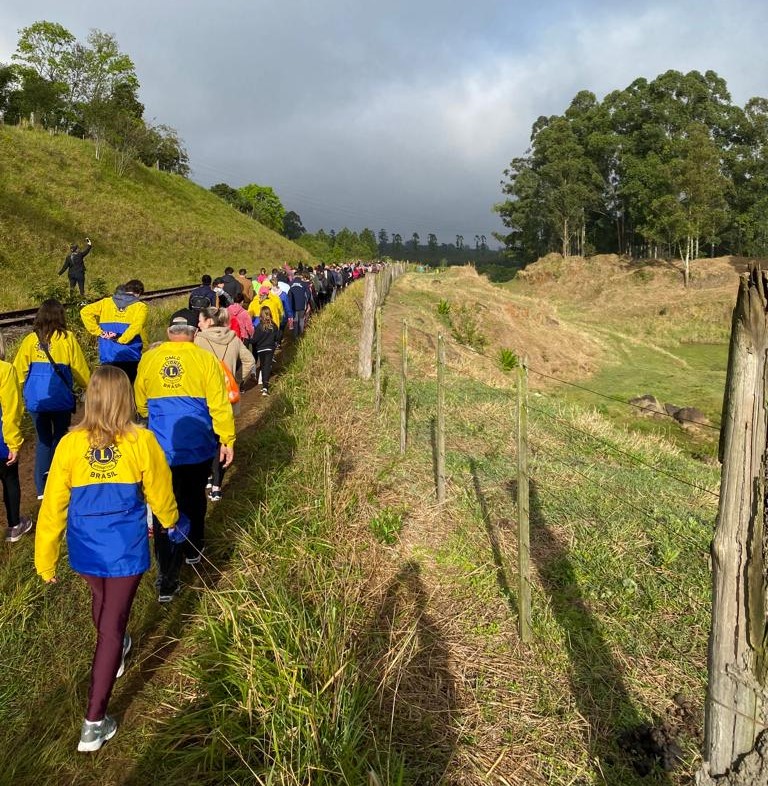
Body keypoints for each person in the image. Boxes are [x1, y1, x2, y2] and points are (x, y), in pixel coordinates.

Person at [34, 366, 182, 753]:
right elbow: (160, 489)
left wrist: (46, 556)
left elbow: (53, 505)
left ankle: (116, 648)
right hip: (124, 549)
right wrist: (170, 521)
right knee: (111, 627)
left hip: (86, 547)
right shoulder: (141, 440)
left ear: (92, 398)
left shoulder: (70, 444)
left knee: (103, 604)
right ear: (125, 399)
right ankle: (94, 723)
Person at [134, 309, 236, 600]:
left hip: (161, 450)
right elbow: (219, 405)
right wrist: (226, 439)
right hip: (197, 447)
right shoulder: (205, 360)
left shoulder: (149, 359)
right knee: (193, 498)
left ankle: (167, 577)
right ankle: (194, 548)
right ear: (195, 334)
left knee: (163, 505)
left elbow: (140, 402)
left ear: (169, 333)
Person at [13, 299, 91, 498]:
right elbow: (79, 368)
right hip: (60, 399)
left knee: (43, 440)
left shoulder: (31, 340)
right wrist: (89, 386)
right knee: (60, 438)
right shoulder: (67, 338)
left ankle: (41, 488)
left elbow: (18, 372)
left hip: (36, 402)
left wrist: (14, 396)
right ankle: (59, 481)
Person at [195, 307, 254, 501]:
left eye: (201, 320)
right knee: (224, 440)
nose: (198, 324)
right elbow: (250, 361)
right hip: (227, 397)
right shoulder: (233, 338)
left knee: (207, 438)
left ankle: (208, 476)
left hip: (205, 397)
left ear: (209, 321)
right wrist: (237, 380)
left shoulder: (199, 340)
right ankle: (217, 486)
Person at [80, 280, 148, 383]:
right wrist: (121, 340)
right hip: (130, 355)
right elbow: (136, 327)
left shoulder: (105, 302)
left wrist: (98, 332)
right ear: (138, 293)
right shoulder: (140, 306)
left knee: (110, 389)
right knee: (128, 388)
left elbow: (85, 312)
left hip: (108, 355)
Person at [0, 332, 32, 542]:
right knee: (9, 478)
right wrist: (14, 443)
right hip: (1, 438)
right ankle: (14, 526)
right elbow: (11, 410)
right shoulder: (5, 370)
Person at [251, 306, 278, 397]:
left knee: (263, 366)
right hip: (270, 349)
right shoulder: (274, 326)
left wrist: (249, 340)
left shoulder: (259, 327)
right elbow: (277, 337)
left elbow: (255, 340)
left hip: (261, 349)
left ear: (261, 315)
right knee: (267, 367)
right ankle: (265, 388)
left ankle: (264, 386)